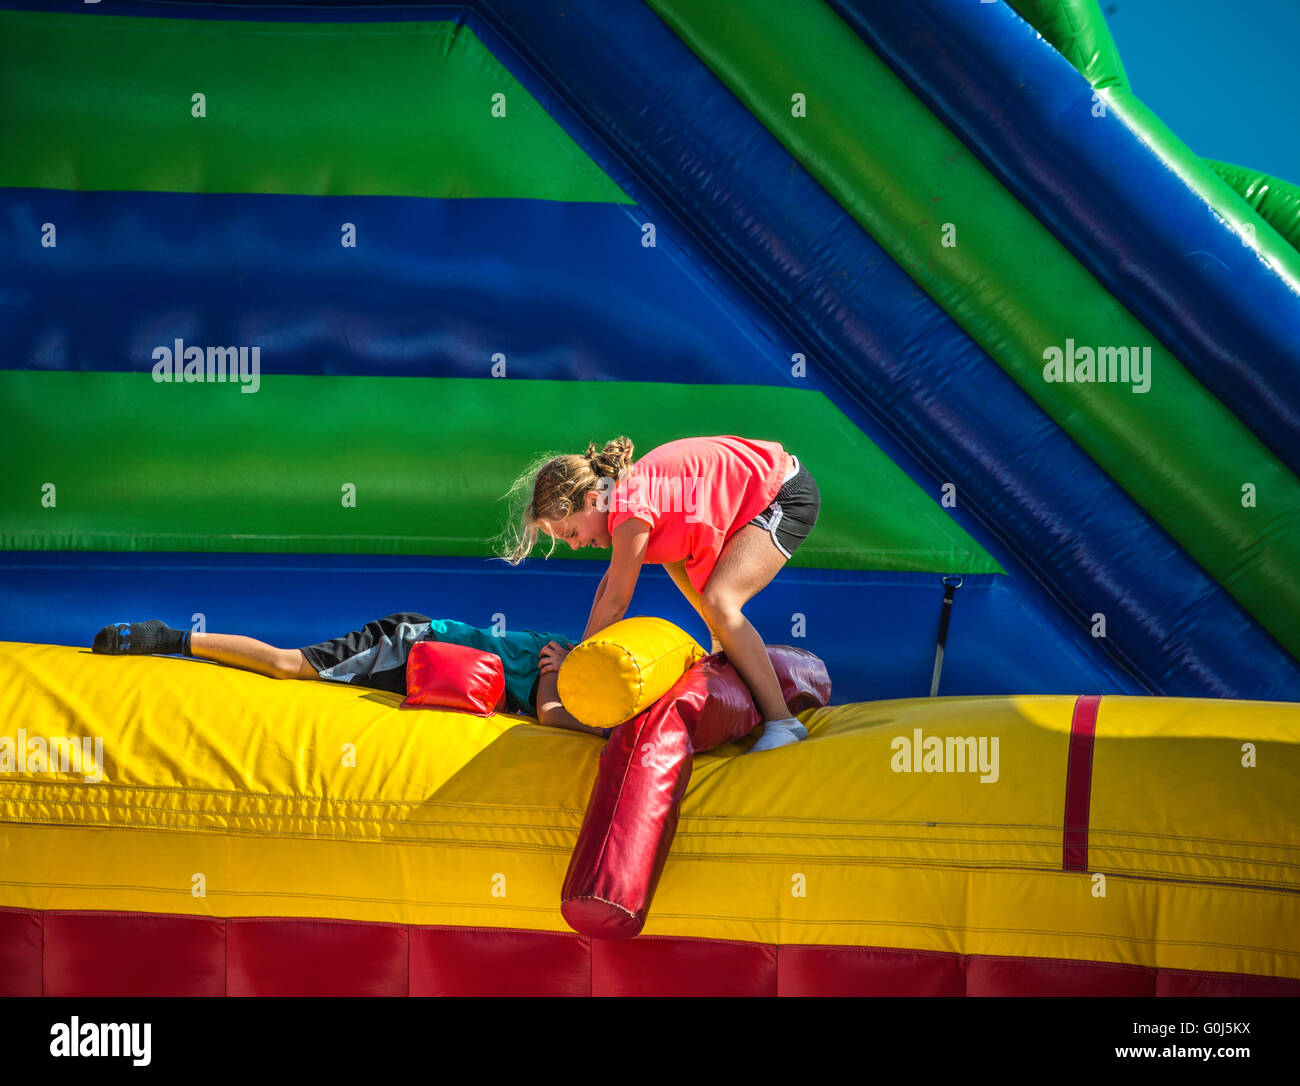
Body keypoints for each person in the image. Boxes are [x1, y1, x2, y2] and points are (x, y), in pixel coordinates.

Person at [498, 434, 821, 751]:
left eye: (571, 532)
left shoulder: (628, 504)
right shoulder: (626, 502)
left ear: (592, 500)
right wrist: (581, 650)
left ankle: (783, 722)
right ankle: (726, 653)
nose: (575, 544)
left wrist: (574, 665)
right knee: (698, 591)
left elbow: (616, 601)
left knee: (720, 603)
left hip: (782, 493)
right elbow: (608, 588)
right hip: (758, 491)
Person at [90, 615, 604, 737]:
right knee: (287, 666)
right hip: (406, 646)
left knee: (288, 666)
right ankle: (174, 638)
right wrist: (605, 732)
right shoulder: (559, 659)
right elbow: (550, 715)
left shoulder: (576, 666)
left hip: (425, 664)